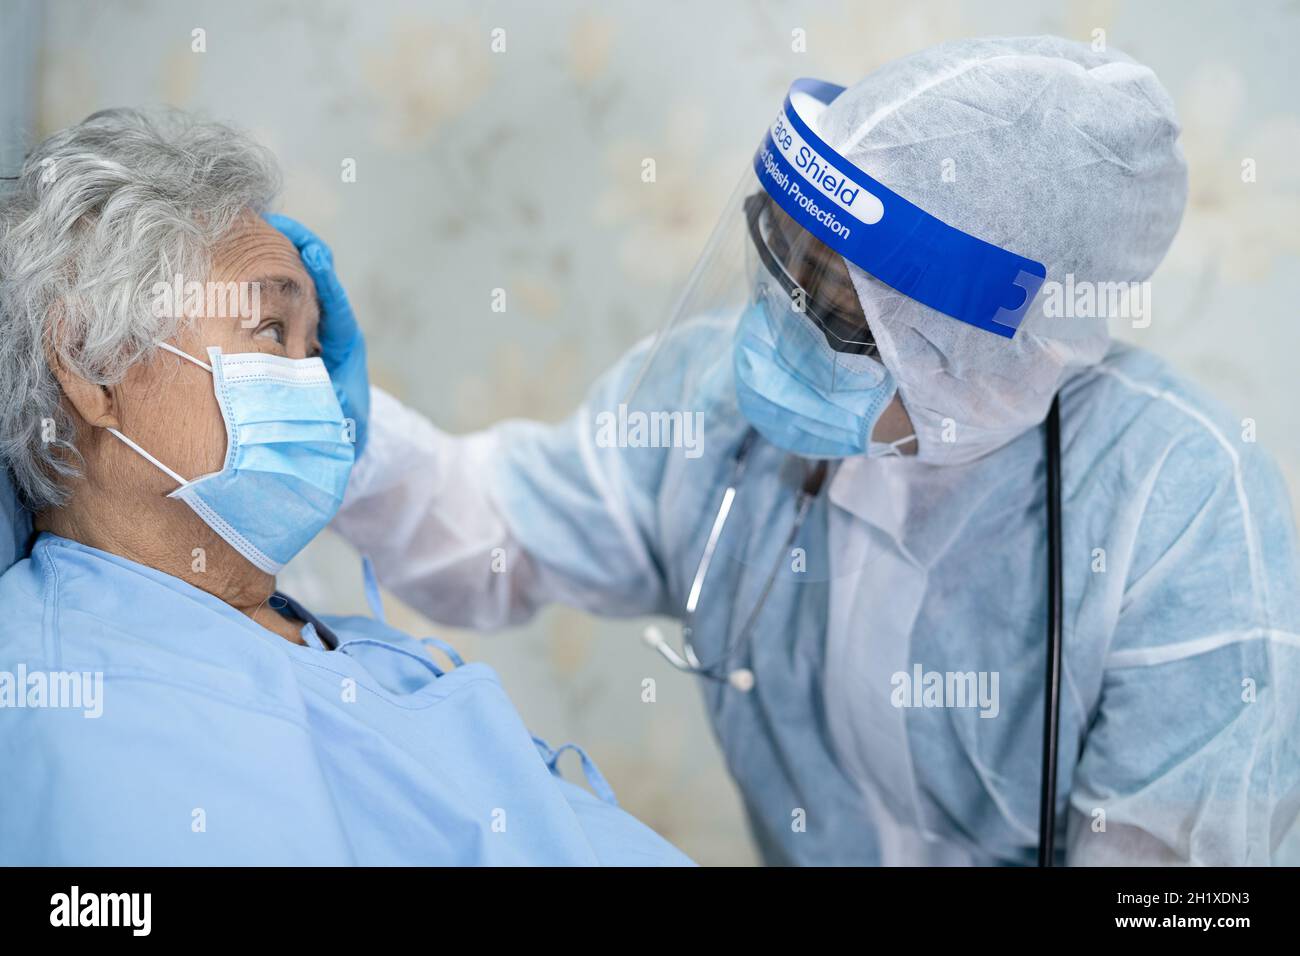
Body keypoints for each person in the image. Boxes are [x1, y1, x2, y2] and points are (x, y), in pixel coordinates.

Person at [323, 36, 1300, 865]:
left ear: (1001, 348)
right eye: (783, 258)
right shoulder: (709, 401)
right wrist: (339, 431)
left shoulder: (1173, 501)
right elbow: (501, 532)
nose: (781, 325)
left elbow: (1179, 883)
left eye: (836, 306)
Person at [0, 108, 692, 866]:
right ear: (91, 364)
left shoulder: (290, 633)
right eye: (271, 331)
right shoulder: (96, 701)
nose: (318, 390)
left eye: (314, 349)